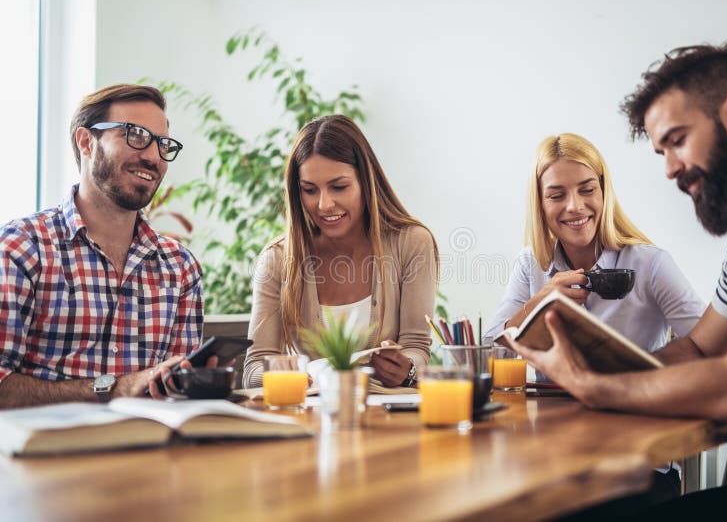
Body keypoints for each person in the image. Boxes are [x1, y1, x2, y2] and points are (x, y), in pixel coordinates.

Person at [505, 42, 727, 519]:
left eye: (677, 141)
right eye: (662, 151)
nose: (670, 169)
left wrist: (596, 388)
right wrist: (608, 377)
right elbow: (700, 346)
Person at [485, 132, 704, 504]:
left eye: (587, 190)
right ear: (540, 203)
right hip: (554, 457)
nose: (574, 206)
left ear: (604, 192)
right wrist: (538, 302)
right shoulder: (530, 264)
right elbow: (492, 352)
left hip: (636, 462)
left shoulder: (650, 264)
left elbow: (706, 343)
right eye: (557, 195)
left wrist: (634, 372)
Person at [0, 84, 211, 408]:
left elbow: (177, 398)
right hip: (48, 440)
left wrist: (196, 383)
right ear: (86, 142)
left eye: (162, 144)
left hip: (149, 439)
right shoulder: (22, 248)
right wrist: (115, 388)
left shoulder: (180, 267)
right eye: (136, 135)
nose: (153, 157)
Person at [243, 114, 438, 389]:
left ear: (366, 181)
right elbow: (253, 368)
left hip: (387, 412)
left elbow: (417, 347)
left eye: (339, 187)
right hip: (312, 412)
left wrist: (406, 369)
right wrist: (279, 373)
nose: (324, 205)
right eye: (310, 190)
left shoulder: (412, 243)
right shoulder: (277, 259)